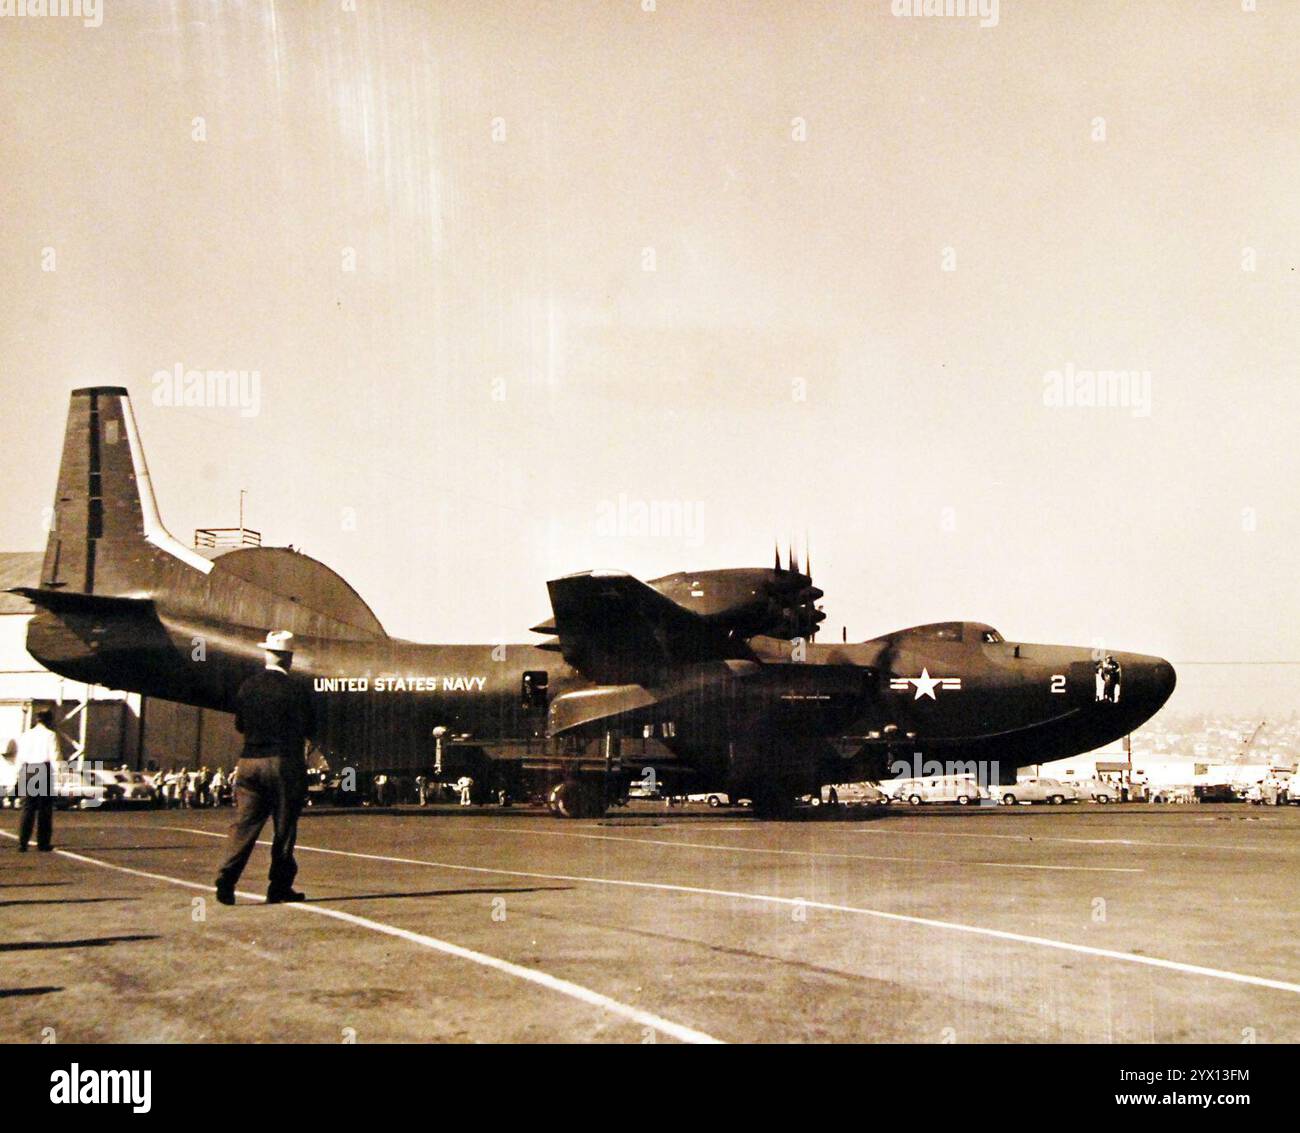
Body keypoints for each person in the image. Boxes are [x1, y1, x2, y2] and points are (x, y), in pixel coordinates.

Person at [213, 630, 315, 906]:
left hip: (248, 762)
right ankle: (279, 886)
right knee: (284, 828)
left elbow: (240, 725)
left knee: (244, 824)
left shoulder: (247, 687)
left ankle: (226, 877)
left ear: (267, 654)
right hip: (283, 762)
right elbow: (309, 726)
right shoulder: (296, 689)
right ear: (289, 659)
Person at [15, 710, 60, 852]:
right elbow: (55, 755)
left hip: (27, 770)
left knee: (27, 808)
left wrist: (18, 774)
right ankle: (43, 842)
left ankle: (23, 842)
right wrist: (60, 773)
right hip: (43, 769)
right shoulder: (50, 735)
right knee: (44, 809)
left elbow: (20, 757)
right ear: (48, 720)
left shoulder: (26, 735)